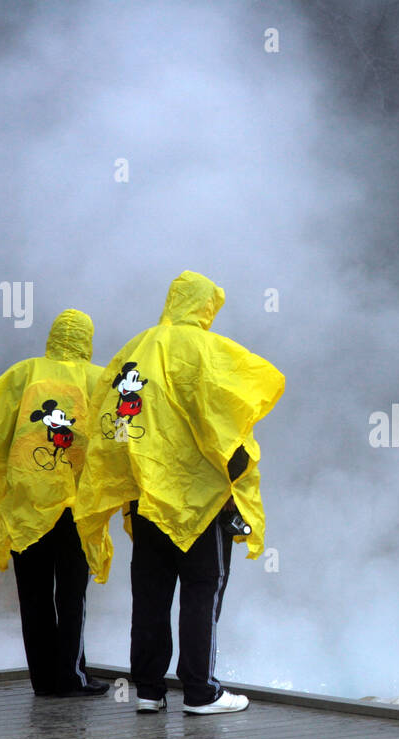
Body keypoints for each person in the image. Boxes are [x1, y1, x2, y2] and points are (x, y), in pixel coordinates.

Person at [75, 271, 284, 715]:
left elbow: (108, 423)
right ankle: (200, 691)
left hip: (146, 499)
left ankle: (148, 690)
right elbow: (225, 420)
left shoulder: (133, 350)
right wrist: (236, 476)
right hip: (198, 500)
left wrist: (125, 481)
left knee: (150, 594)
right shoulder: (206, 351)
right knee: (202, 590)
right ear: (205, 306)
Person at [0, 308, 112, 697]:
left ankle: (44, 682)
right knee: (71, 594)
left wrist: (3, 481)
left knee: (34, 595)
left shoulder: (23, 374)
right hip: (74, 507)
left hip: (27, 506)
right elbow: (116, 441)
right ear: (86, 339)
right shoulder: (98, 380)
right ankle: (72, 677)